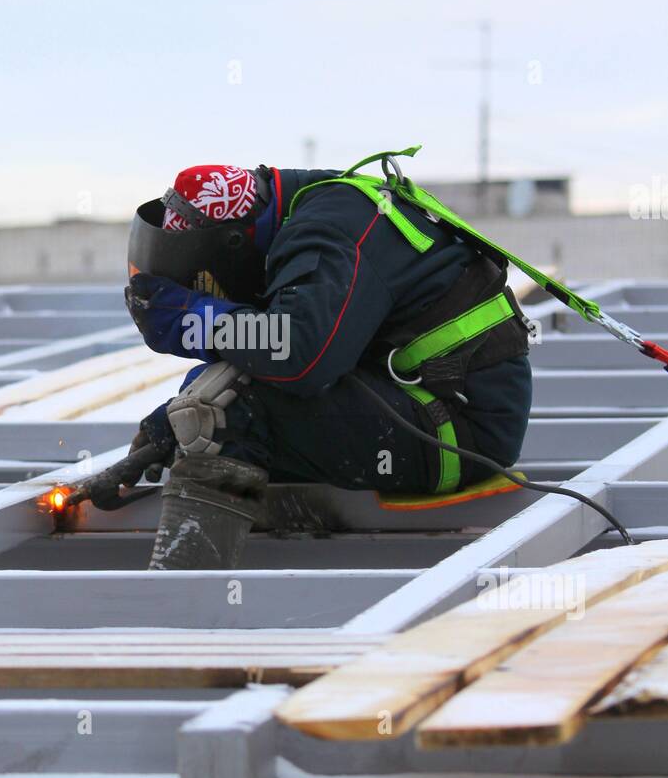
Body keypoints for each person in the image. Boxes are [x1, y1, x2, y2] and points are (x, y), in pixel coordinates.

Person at [124, 158, 533, 570]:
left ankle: (181, 598)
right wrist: (174, 422)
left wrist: (196, 319)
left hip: (459, 430)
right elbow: (276, 351)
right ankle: (265, 578)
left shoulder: (324, 232)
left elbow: (299, 357)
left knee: (220, 415)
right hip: (434, 398)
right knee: (212, 403)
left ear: (232, 242)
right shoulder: (310, 210)